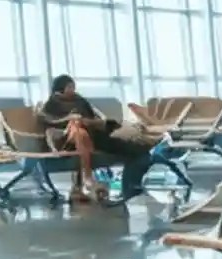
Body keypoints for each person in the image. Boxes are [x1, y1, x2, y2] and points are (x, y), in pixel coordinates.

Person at [38, 75, 154, 206]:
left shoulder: (80, 100)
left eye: (73, 86)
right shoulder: (52, 105)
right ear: (60, 88)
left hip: (94, 134)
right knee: (79, 130)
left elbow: (95, 117)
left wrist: (91, 122)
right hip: (71, 139)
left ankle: (130, 187)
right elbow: (48, 122)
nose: (73, 89)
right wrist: (70, 120)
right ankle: (101, 182)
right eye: (69, 86)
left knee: (136, 149)